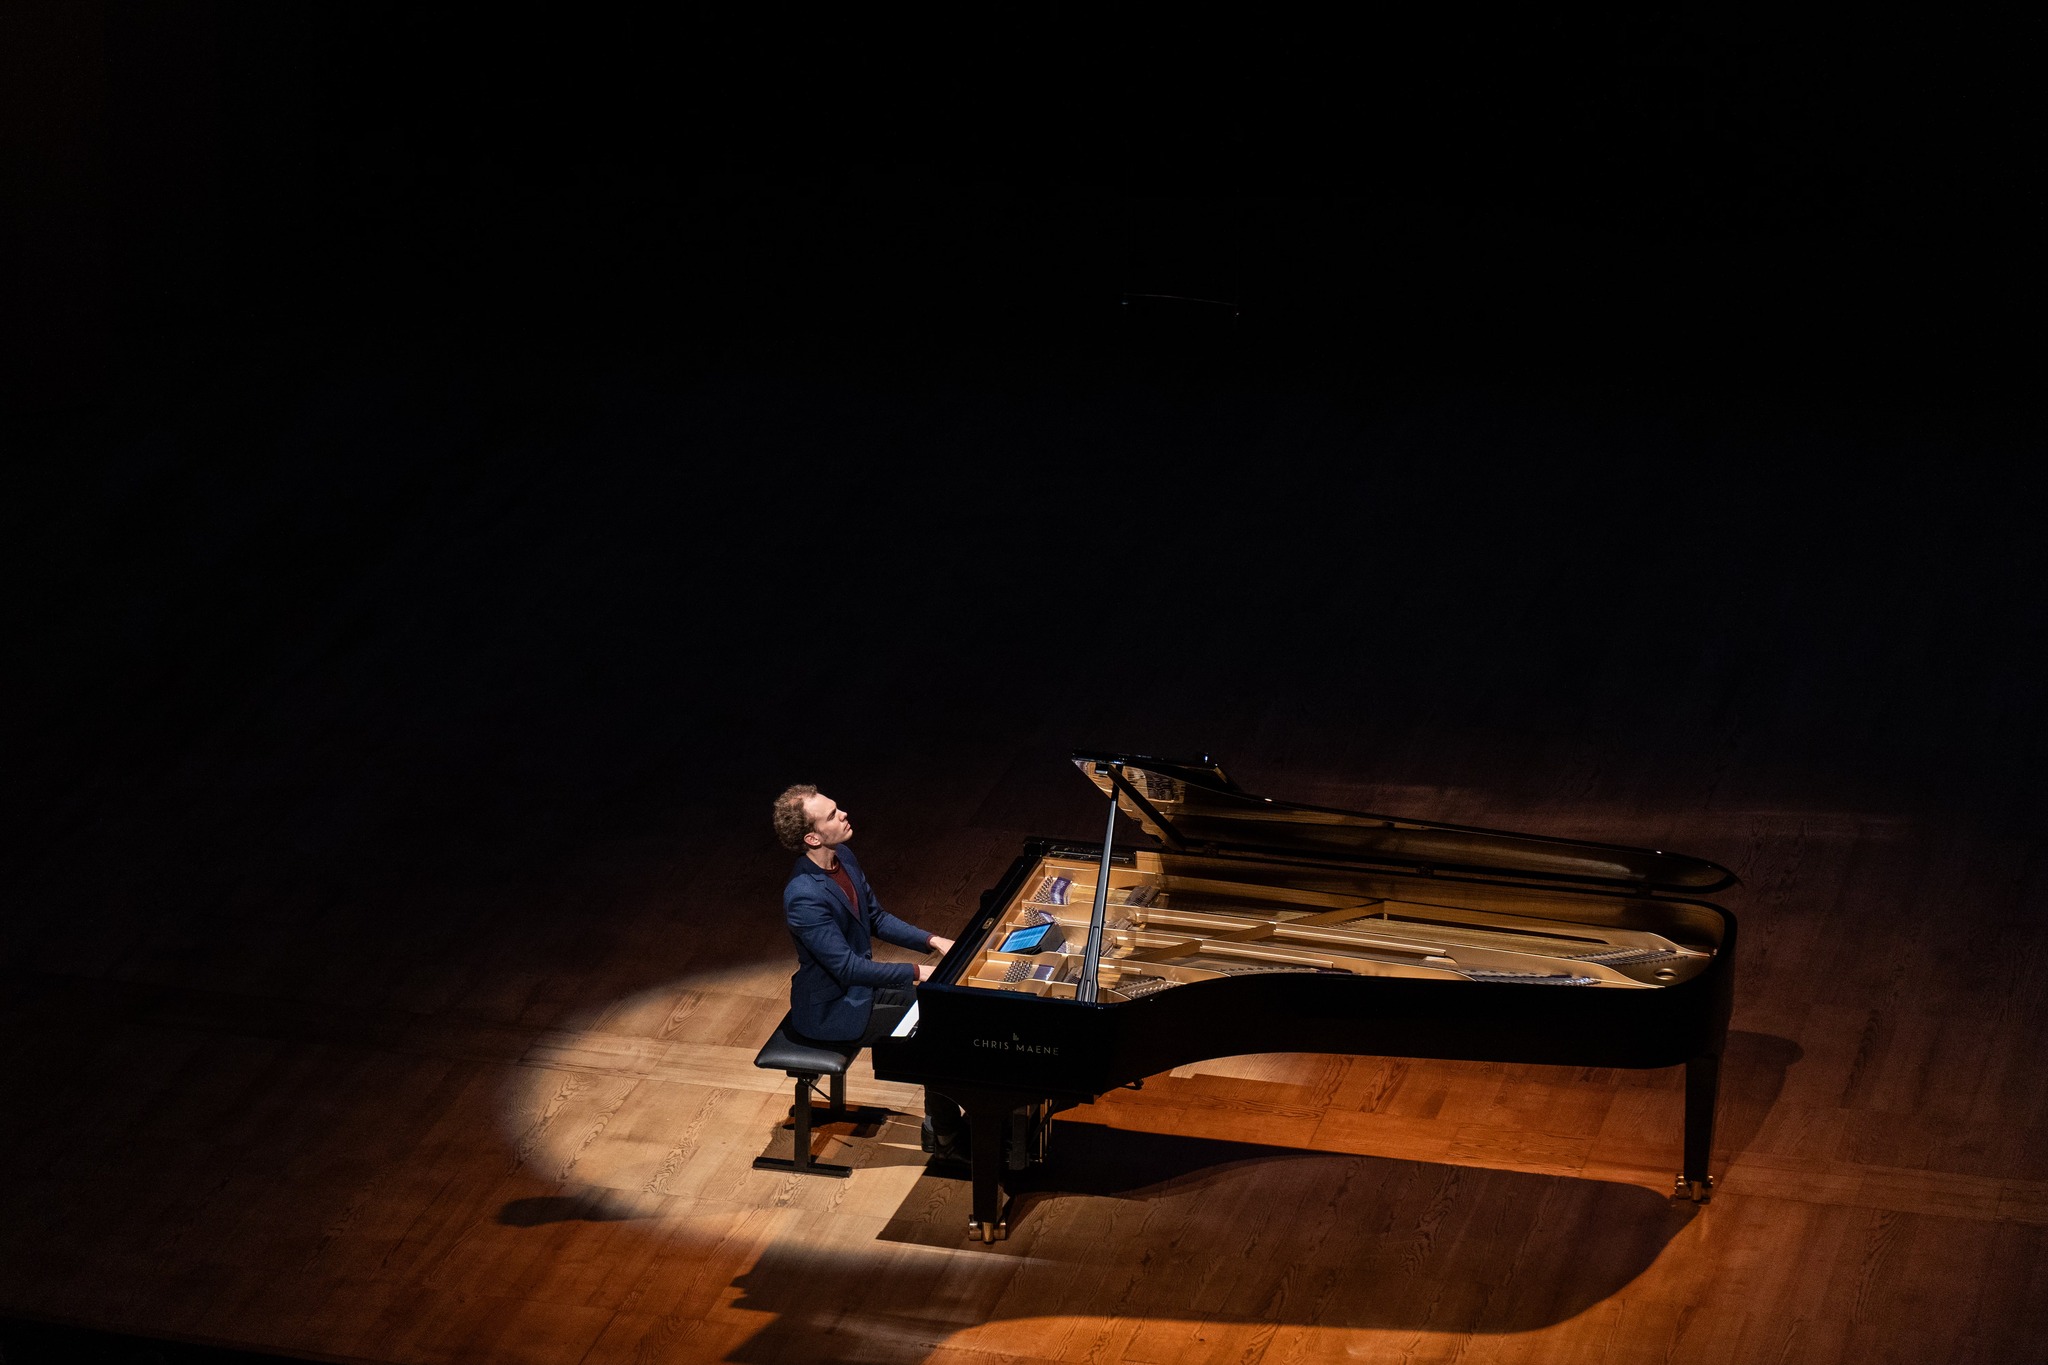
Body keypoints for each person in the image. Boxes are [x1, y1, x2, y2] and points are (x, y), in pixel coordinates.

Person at [773, 783, 967, 1160]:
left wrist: (933, 940)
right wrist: (916, 972)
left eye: (837, 807)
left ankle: (942, 1124)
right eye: (831, 815)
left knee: (946, 1009)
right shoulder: (803, 896)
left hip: (861, 991)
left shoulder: (842, 856)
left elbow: (875, 917)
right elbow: (846, 967)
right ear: (812, 837)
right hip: (832, 1009)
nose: (843, 813)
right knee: (935, 1028)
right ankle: (944, 1132)